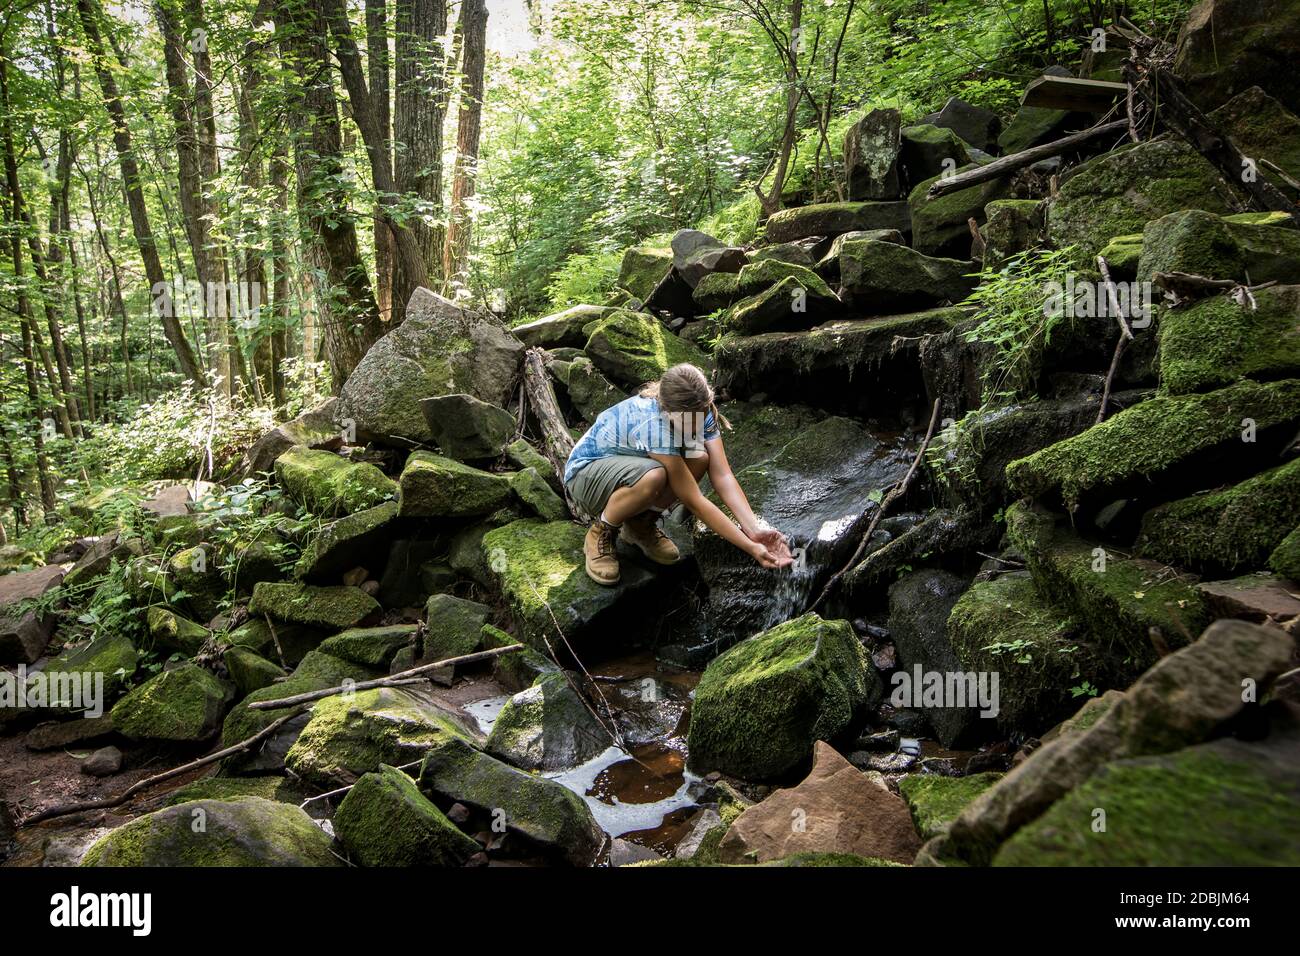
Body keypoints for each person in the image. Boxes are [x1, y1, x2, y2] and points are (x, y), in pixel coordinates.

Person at [563, 362, 793, 586]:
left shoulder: (699, 412)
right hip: (585, 477)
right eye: (690, 421)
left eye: (701, 417)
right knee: (654, 475)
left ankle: (638, 525)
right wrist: (750, 547)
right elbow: (695, 501)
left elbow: (723, 476)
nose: (696, 426)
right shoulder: (653, 424)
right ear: (669, 411)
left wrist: (754, 530)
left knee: (700, 458)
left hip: (628, 470)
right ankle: (602, 531)